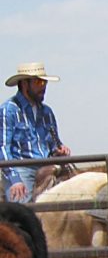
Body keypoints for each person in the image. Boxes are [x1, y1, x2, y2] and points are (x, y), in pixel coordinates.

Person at [0, 62, 70, 203]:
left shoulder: (46, 112)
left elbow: (53, 144)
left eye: (44, 82)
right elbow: (3, 147)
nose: (43, 86)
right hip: (21, 169)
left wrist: (60, 150)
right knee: (23, 212)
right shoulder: (9, 110)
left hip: (47, 166)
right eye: (38, 82)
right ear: (25, 84)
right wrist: (14, 179)